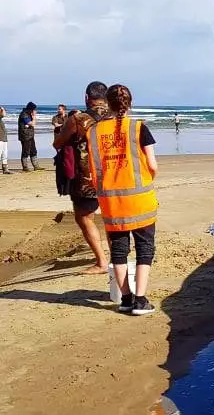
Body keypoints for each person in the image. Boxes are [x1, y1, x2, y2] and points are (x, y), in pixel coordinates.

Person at [87, 84, 159, 315]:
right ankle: (140, 300)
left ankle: (126, 299)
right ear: (130, 103)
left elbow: (93, 170)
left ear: (107, 103)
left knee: (119, 250)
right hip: (140, 200)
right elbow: (152, 165)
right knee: (144, 248)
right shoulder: (138, 128)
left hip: (111, 201)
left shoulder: (94, 131)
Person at [53, 82, 111, 274]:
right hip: (115, 174)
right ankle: (117, 257)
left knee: (85, 217)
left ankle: (102, 262)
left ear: (87, 98)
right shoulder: (116, 117)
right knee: (113, 217)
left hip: (87, 177)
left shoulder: (78, 120)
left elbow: (58, 143)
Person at [18, 102, 43, 171]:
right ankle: (25, 167)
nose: (34, 111)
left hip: (30, 135)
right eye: (33, 109)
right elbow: (32, 124)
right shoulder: (24, 114)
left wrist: (32, 120)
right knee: (25, 151)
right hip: (25, 136)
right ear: (30, 109)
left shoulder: (29, 114)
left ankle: (36, 166)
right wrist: (34, 117)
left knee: (33, 150)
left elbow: (31, 124)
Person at [0, 106, 12, 175]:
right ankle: (5, 169)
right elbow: (3, 114)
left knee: (5, 154)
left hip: (4, 138)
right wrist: (2, 109)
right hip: (0, 139)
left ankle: (5, 169)